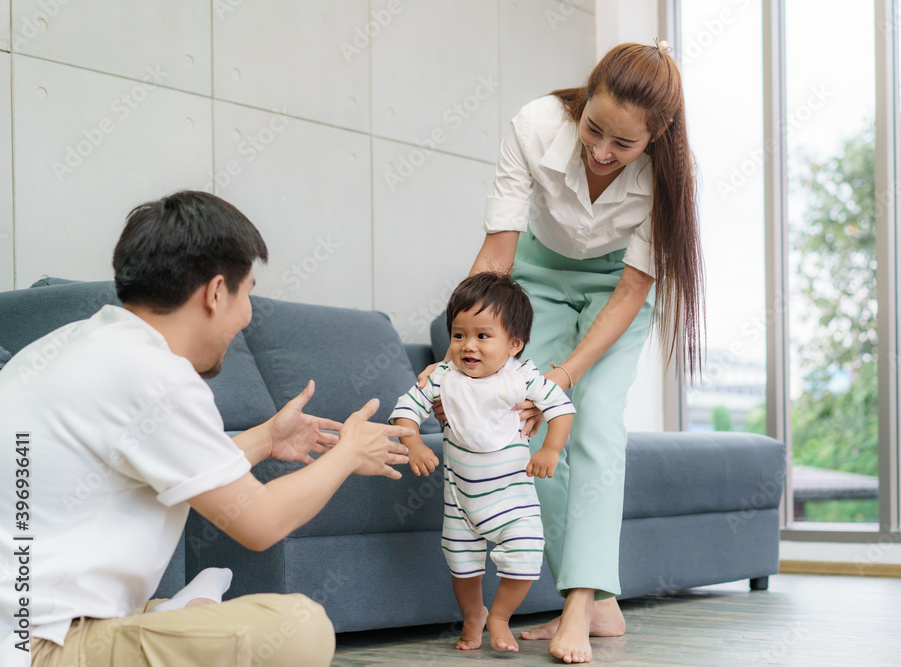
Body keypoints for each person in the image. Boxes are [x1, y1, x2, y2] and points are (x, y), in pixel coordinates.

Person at [0, 191, 411, 666]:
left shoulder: (74, 344)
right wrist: (349, 452)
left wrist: (266, 439)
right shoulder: (156, 376)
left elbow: (168, 468)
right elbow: (260, 523)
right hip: (38, 646)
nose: (247, 314)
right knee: (299, 628)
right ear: (217, 292)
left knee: (196, 605)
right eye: (248, 292)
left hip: (28, 624)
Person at [418, 41, 704, 663]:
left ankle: (578, 605)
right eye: (593, 130)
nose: (601, 152)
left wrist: (568, 375)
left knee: (596, 421)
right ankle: (597, 601)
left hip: (615, 291)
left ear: (656, 139)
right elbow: (498, 253)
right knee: (514, 424)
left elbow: (631, 291)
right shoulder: (536, 125)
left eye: (623, 145)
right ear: (584, 100)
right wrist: (453, 362)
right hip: (535, 276)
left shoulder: (670, 179)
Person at [390, 272, 575, 653]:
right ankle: (474, 615)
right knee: (462, 568)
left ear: (514, 344)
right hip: (461, 503)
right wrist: (413, 443)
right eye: (458, 335)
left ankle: (501, 617)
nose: (467, 346)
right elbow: (405, 409)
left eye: (482, 336)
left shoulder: (522, 377)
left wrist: (550, 450)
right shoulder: (443, 377)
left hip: (513, 501)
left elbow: (560, 408)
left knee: (525, 560)